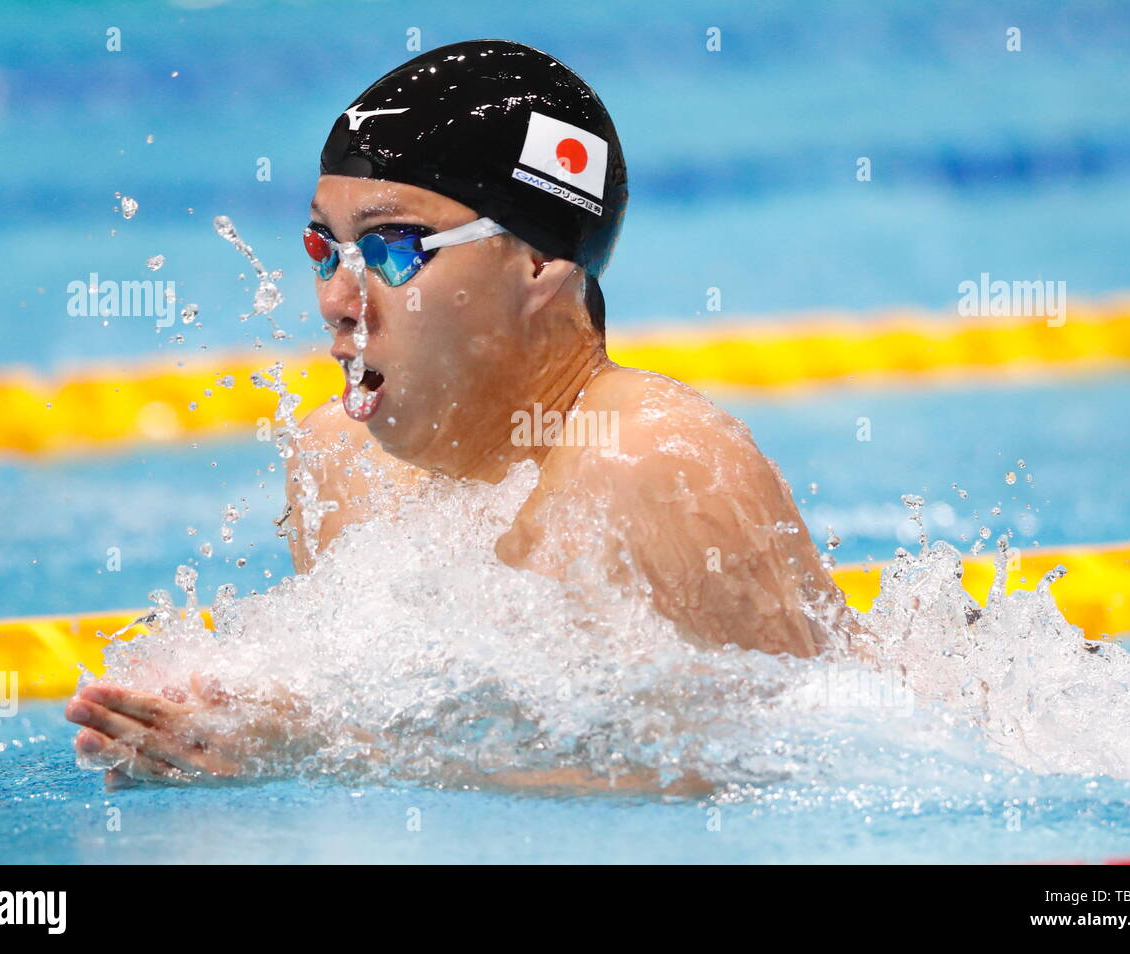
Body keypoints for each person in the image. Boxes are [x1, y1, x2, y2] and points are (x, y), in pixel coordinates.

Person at [66, 39, 860, 787]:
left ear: (541, 263)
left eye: (390, 248)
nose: (339, 301)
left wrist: (320, 755)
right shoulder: (340, 464)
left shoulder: (654, 461)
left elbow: (778, 778)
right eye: (324, 249)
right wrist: (214, 732)